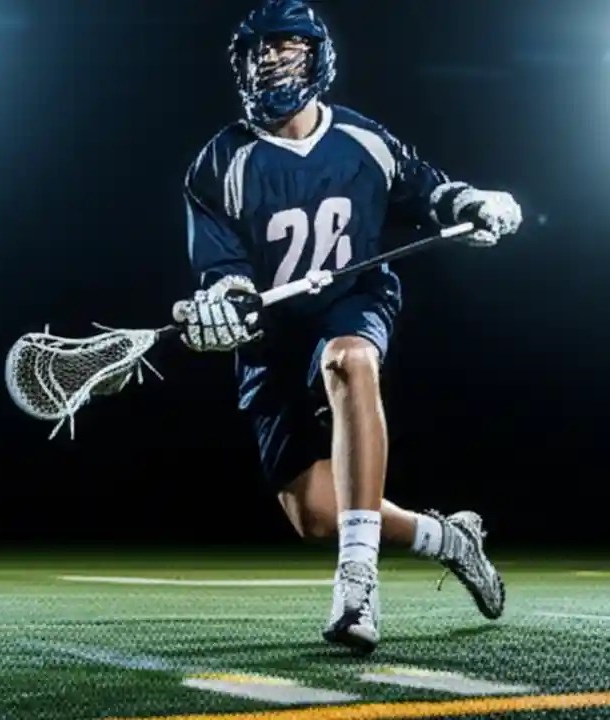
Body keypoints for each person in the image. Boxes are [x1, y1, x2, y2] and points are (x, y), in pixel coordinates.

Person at [170, 0, 524, 654]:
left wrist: (474, 201)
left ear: (316, 56)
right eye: (258, 51)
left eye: (285, 46)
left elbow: (429, 190)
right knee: (315, 514)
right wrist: (224, 304)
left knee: (349, 360)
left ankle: (357, 586)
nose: (270, 60)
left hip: (351, 301)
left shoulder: (361, 140)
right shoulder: (218, 164)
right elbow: (226, 273)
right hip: (272, 341)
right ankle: (449, 539)